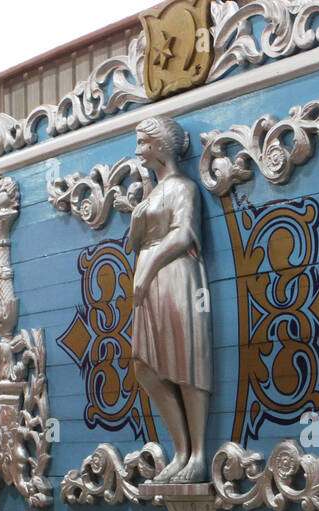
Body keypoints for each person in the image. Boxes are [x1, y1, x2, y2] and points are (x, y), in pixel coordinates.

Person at [127, 115, 212, 483]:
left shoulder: (183, 187)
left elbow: (182, 236)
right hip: (148, 283)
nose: (138, 150)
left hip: (176, 276)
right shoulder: (153, 192)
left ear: (160, 146)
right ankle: (179, 450)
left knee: (185, 361)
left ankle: (197, 454)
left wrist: (146, 272)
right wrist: (138, 212)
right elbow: (133, 243)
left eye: (143, 143)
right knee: (145, 366)